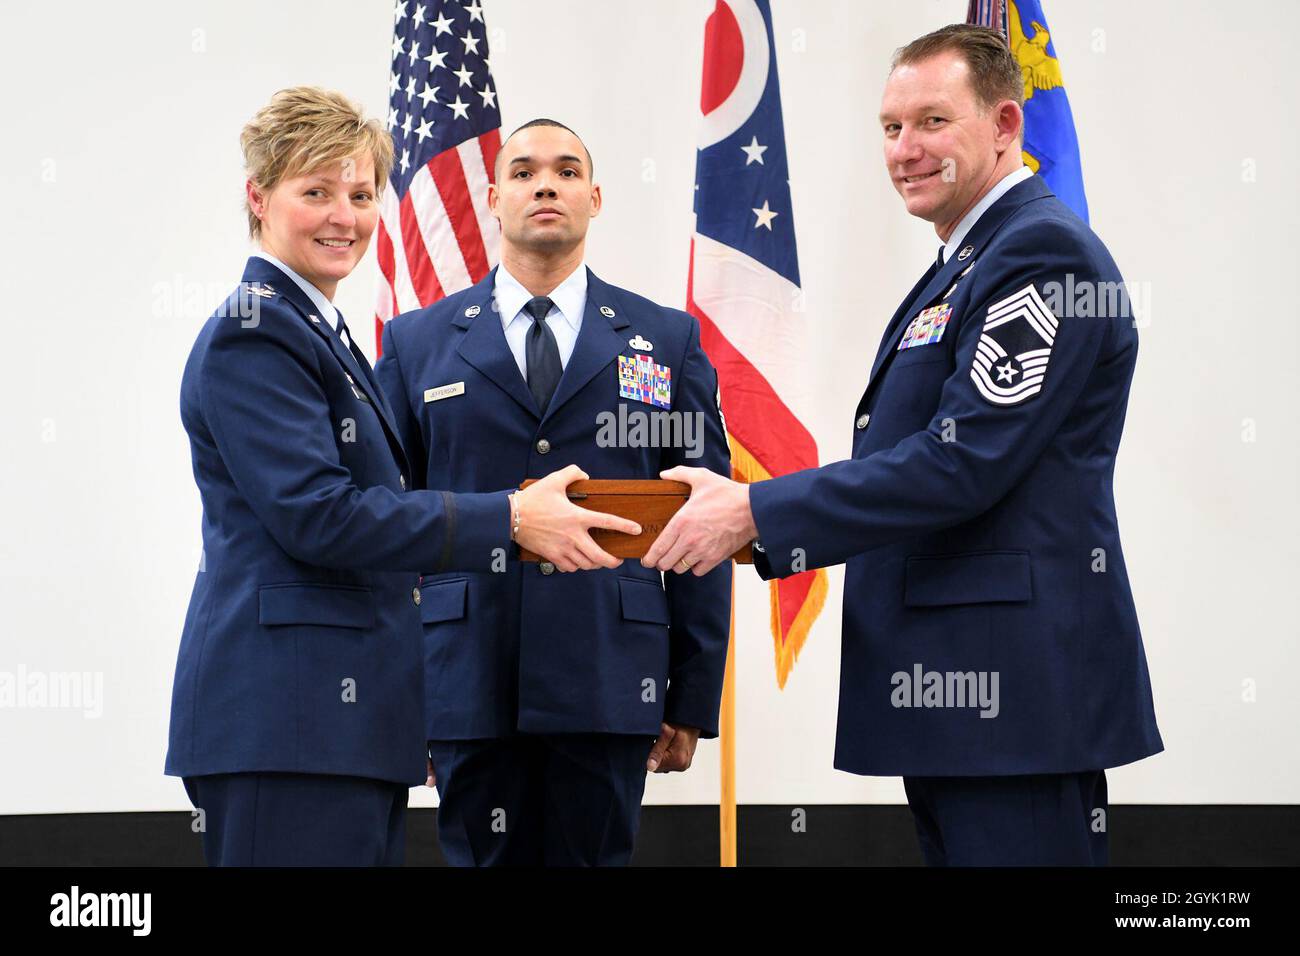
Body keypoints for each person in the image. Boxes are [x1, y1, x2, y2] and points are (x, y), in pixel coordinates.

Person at [644, 25, 1163, 866]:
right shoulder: (968, 261)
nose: (906, 150)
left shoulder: (1042, 254)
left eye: (932, 122)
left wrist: (757, 510)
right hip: (961, 702)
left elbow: (963, 461)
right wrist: (759, 520)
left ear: (1004, 126)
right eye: (891, 128)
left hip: (1011, 700)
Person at [166, 88, 639, 867]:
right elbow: (320, 516)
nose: (342, 217)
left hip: (339, 729)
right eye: (314, 192)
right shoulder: (256, 332)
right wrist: (512, 520)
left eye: (359, 195)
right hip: (290, 725)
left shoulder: (315, 327)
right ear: (258, 197)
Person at [375, 119, 732, 866]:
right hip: (467, 676)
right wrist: (402, 697)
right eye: (526, 171)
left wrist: (691, 695)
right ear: (493, 198)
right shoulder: (416, 343)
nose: (546, 184)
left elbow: (706, 520)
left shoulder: (666, 340)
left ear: (595, 198)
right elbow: (385, 526)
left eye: (567, 171)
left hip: (610, 675)